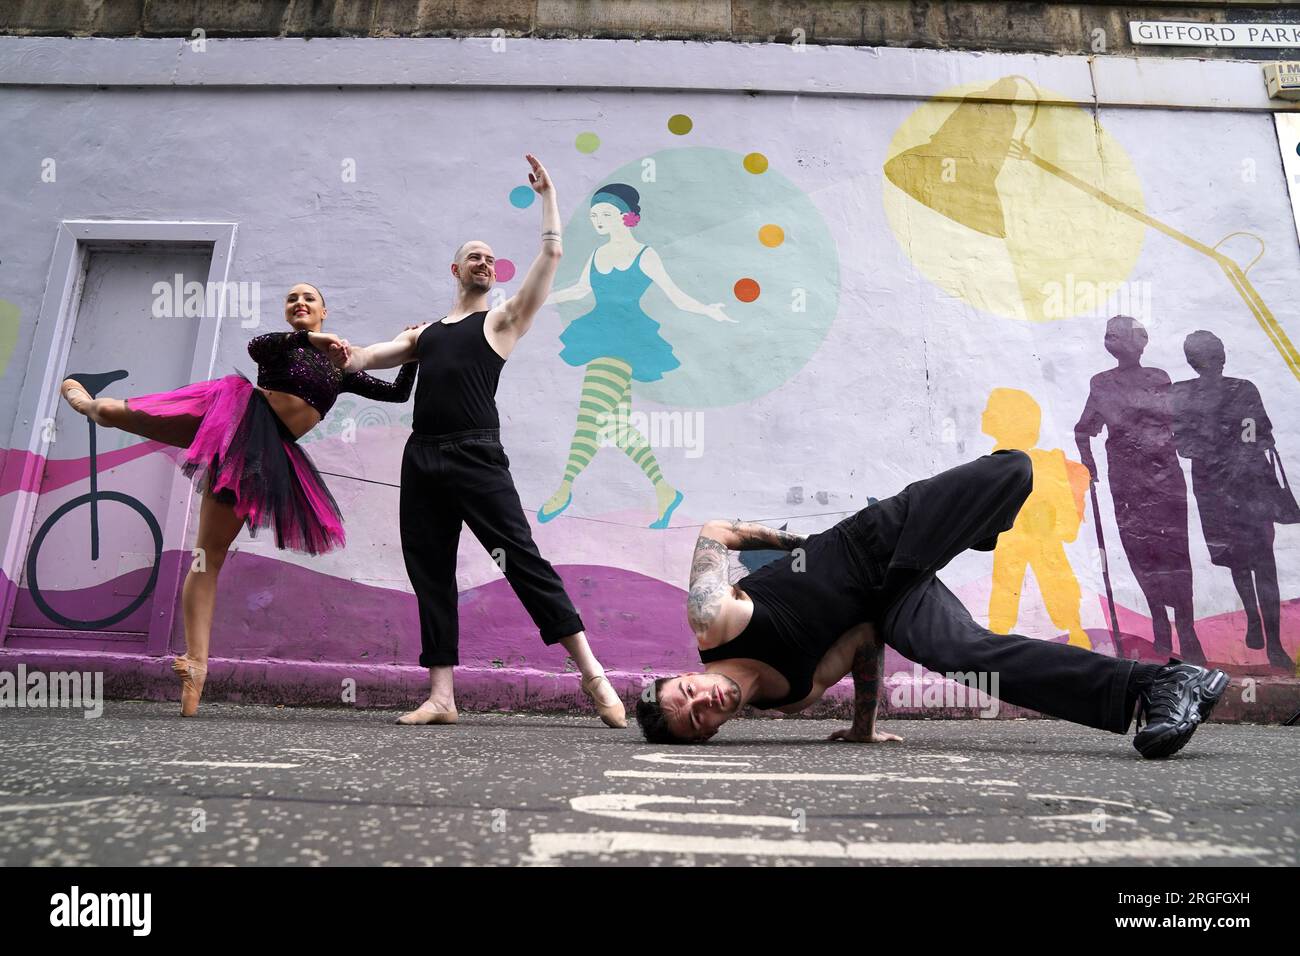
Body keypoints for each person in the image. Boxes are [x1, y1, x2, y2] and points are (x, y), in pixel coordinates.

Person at [635, 450, 1228, 758]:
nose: (704, 703)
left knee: (1014, 470)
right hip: (893, 602)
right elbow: (864, 643)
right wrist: (862, 727)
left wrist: (800, 544)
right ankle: (1162, 687)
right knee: (962, 651)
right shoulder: (795, 696)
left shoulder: (715, 620)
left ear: (687, 675)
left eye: (687, 693)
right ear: (710, 735)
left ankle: (979, 521)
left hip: (876, 541)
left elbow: (715, 529)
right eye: (698, 720)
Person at [334, 154, 627, 728]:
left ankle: (592, 674)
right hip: (422, 457)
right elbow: (367, 358)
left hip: (475, 454)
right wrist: (340, 354)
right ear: (455, 269)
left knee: (521, 560)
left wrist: (549, 198)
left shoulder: (502, 322)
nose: (486, 263)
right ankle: (442, 696)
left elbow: (553, 255)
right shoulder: (426, 334)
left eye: (492, 259)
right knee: (429, 569)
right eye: (476, 256)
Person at [59, 283, 416, 716]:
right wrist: (312, 339)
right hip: (231, 417)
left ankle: (196, 665)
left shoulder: (341, 369)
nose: (299, 303)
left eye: (309, 299)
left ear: (325, 309)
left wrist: (410, 351)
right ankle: (95, 409)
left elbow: (397, 394)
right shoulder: (279, 348)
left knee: (207, 557)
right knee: (121, 414)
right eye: (292, 299)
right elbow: (255, 345)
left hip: (258, 456)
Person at [539, 182, 734, 529]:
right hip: (598, 335)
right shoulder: (597, 255)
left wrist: (709, 310)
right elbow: (581, 288)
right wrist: (533, 299)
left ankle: (565, 487)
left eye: (606, 213)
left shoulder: (645, 255)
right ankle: (664, 490)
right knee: (615, 425)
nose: (598, 219)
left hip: (623, 341)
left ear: (626, 216)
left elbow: (675, 295)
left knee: (589, 414)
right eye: (595, 214)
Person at [1075, 315, 1203, 662]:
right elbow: (1083, 429)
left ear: (1139, 341)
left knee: (1176, 552)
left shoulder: (1159, 378)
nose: (1110, 341)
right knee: (1140, 552)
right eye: (1107, 336)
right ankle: (1161, 625)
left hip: (1165, 478)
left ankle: (1186, 628)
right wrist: (1090, 467)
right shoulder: (1101, 383)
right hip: (1127, 481)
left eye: (1117, 335)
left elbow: (1177, 422)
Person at [1173, 330, 1292, 670]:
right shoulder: (1186, 394)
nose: (1218, 356)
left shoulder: (1242, 389)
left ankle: (1273, 640)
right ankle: (1258, 623)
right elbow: (1186, 444)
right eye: (1215, 350)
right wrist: (1232, 447)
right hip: (1220, 490)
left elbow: (1258, 432)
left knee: (1258, 563)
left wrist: (1227, 447)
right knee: (1243, 561)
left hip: (1244, 488)